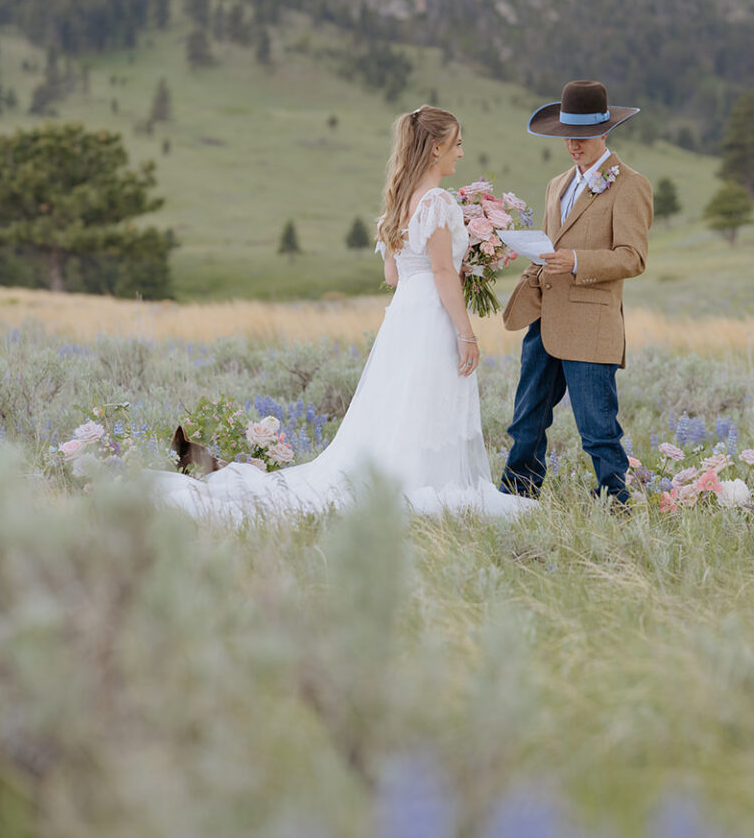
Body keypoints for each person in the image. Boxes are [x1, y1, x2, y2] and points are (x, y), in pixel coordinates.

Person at [154, 106, 527, 520]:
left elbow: (393, 272)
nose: (461, 152)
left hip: (405, 313)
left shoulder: (399, 200)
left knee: (402, 400)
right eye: (456, 144)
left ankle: (400, 479)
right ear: (436, 148)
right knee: (427, 399)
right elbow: (441, 271)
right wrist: (466, 331)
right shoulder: (437, 201)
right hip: (433, 313)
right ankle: (427, 484)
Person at [500, 79, 653, 503]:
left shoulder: (630, 185)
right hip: (544, 319)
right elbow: (553, 244)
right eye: (567, 135)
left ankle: (616, 504)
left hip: (591, 324)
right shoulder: (556, 184)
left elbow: (633, 257)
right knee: (526, 421)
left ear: (605, 131)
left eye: (582, 136)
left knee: (598, 429)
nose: (573, 145)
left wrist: (578, 261)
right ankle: (516, 498)